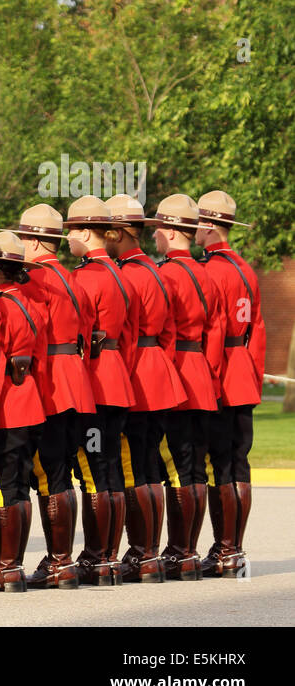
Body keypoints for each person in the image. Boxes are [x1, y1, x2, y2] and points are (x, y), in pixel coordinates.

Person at [105, 193, 188, 583]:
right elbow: (168, 333)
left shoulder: (125, 275)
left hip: (135, 372)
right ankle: (150, 554)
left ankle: (142, 554)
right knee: (150, 466)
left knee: (134, 466)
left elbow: (123, 336)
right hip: (158, 371)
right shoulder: (155, 270)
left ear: (118, 231)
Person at [15, 202, 97, 589]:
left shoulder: (33, 278)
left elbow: (29, 330)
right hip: (75, 378)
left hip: (50, 378)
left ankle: (59, 560)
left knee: (49, 473)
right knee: (62, 471)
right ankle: (61, 559)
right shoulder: (71, 278)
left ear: (32, 240)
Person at [65, 195, 136, 586]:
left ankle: (96, 557)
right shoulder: (123, 276)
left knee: (93, 472)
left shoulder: (85, 278)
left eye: (71, 231)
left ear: (85, 232)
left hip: (93, 381)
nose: (68, 240)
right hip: (117, 378)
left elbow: (77, 335)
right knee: (109, 469)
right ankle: (108, 556)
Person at [151, 194, 222, 581]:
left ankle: (180, 552)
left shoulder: (166, 275)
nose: (156, 236)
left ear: (172, 231)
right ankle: (188, 552)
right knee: (194, 467)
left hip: (177, 372)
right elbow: (216, 329)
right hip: (201, 372)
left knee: (177, 468)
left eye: (160, 228)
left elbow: (164, 331)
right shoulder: (208, 274)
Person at [195, 189, 263, 579]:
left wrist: (212, 376)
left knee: (219, 463)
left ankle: (223, 551)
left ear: (206, 226)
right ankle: (233, 550)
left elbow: (215, 332)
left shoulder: (210, 271)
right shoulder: (247, 270)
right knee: (239, 464)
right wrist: (252, 372)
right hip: (245, 372)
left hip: (221, 374)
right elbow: (259, 329)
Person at [0, 231, 46, 592]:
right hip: (30, 401)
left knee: (3, 488)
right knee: (19, 487)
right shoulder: (31, 305)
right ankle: (14, 565)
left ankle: (7, 567)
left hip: (6, 402)